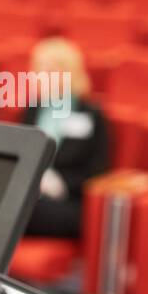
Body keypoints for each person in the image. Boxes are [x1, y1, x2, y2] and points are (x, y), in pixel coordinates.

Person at [22, 38, 110, 238]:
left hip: (69, 202)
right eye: (36, 69)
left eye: (45, 70)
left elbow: (98, 172)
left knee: (19, 208)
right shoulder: (33, 110)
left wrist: (60, 183)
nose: (35, 76)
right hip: (32, 196)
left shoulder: (91, 114)